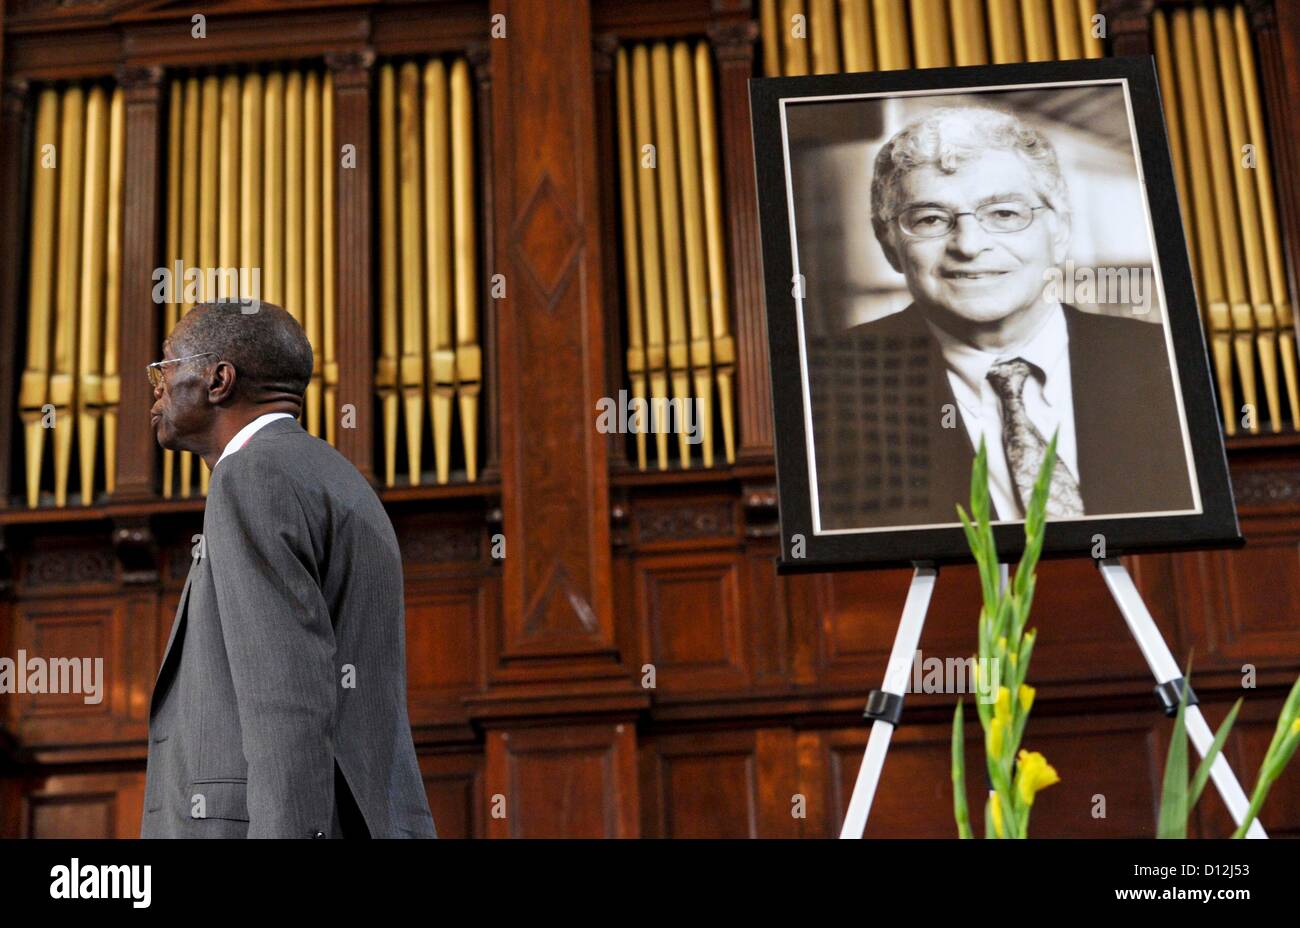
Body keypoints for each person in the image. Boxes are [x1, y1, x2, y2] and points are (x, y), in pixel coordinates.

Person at [809, 105, 1195, 531]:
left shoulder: (1169, 362)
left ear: (1060, 229)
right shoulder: (823, 388)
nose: (970, 245)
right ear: (889, 245)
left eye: (1005, 214)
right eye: (931, 219)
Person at [142, 299, 436, 838]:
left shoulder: (251, 477)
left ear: (218, 379)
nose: (156, 384)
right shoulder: (335, 475)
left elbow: (288, 704)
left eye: (166, 365)